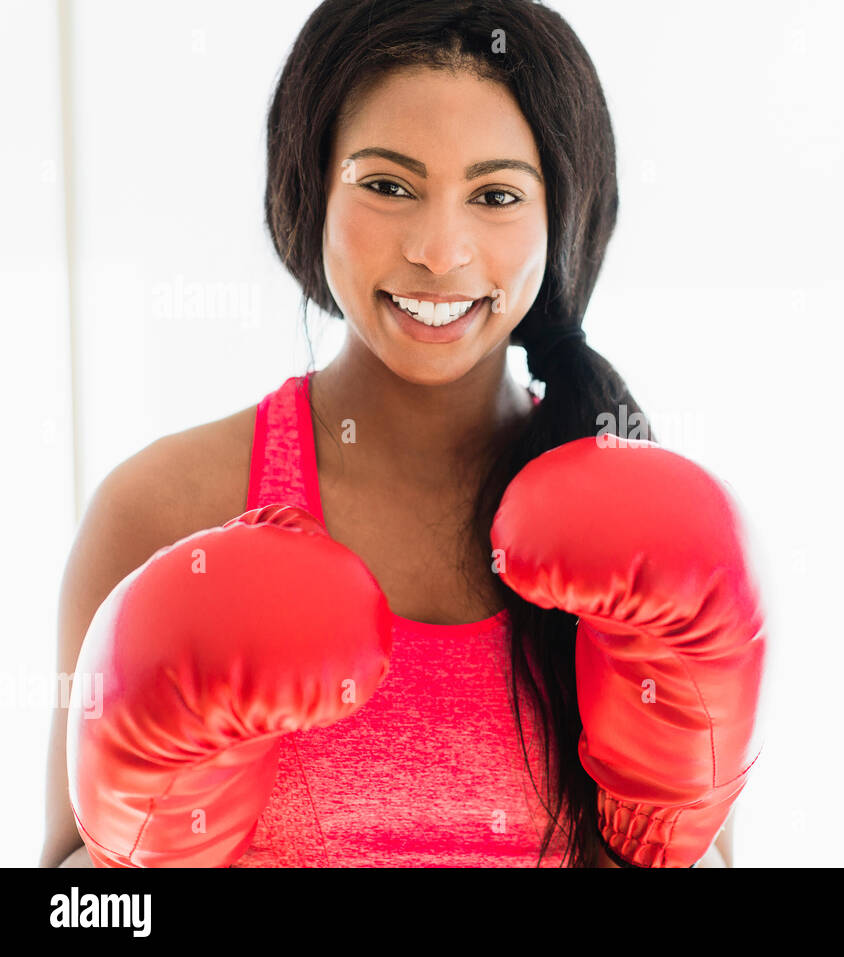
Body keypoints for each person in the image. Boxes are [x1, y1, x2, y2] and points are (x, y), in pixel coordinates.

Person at [42, 0, 765, 868]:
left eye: (496, 194)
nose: (438, 248)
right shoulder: (167, 506)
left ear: (558, 219)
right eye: (387, 185)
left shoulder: (636, 529)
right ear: (311, 188)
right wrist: (152, 841)